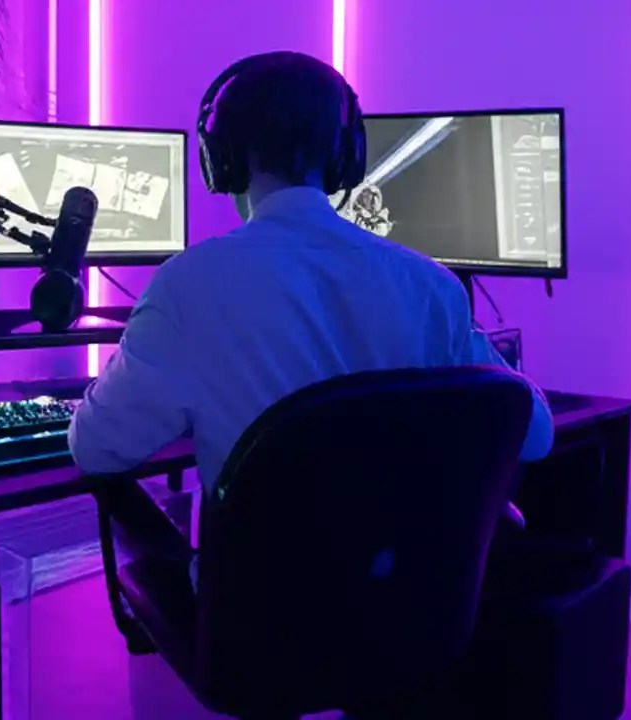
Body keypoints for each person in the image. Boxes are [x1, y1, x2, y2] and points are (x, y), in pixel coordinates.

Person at [69, 51, 553, 573]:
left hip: (261, 618)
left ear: (223, 159)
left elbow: (96, 449)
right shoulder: (431, 285)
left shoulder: (188, 284)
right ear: (348, 158)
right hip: (408, 610)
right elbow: (536, 433)